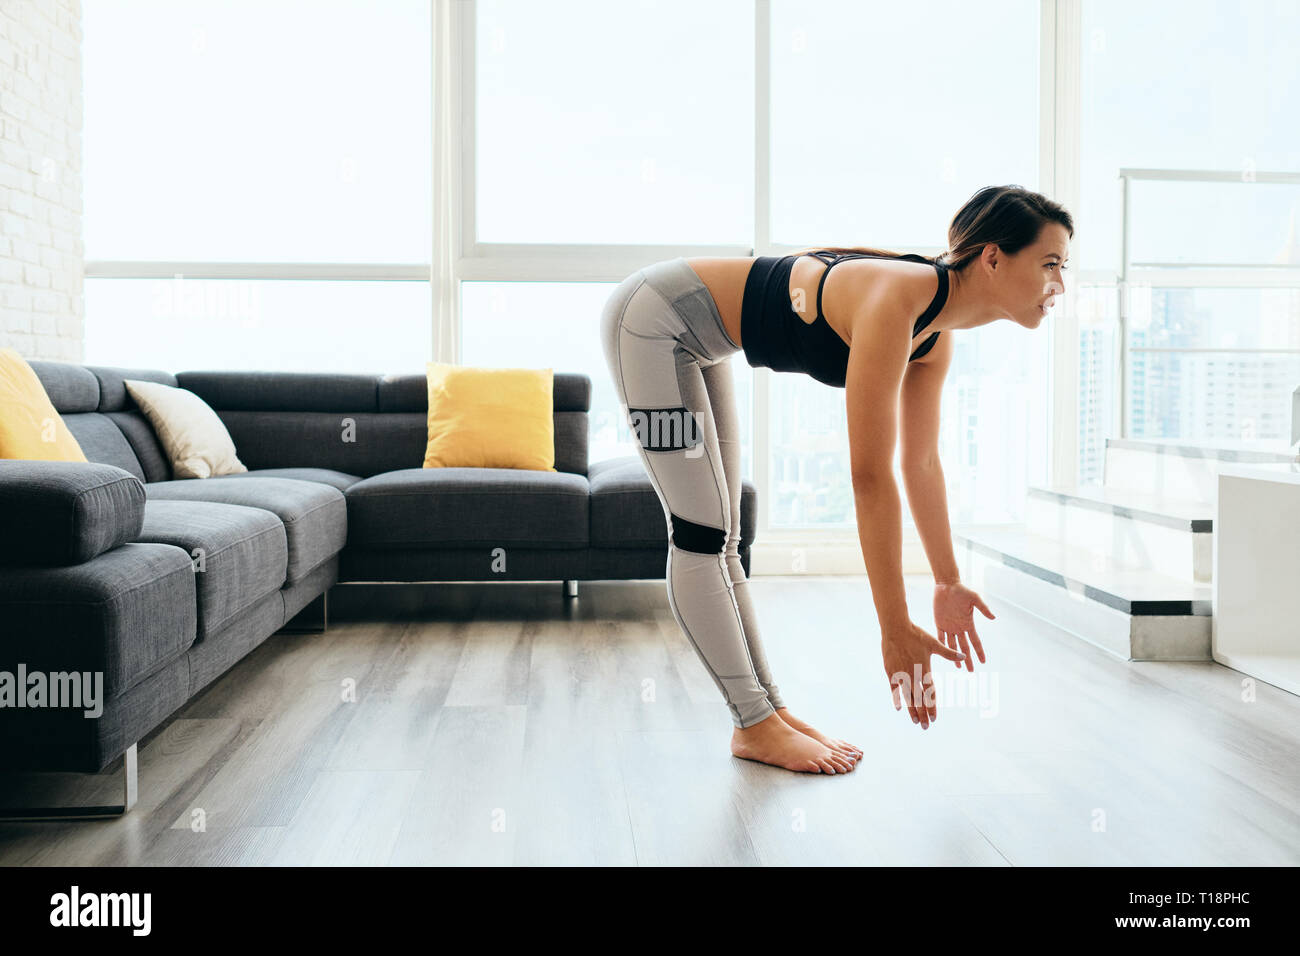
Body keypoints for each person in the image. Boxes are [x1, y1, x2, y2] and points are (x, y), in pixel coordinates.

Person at [599, 184, 1074, 774]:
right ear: (993, 256)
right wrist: (894, 628)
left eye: (1065, 266)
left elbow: (919, 464)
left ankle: (766, 713)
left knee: (724, 537)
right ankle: (754, 723)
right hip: (650, 324)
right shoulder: (897, 299)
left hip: (699, 344)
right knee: (700, 532)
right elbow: (870, 477)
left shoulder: (935, 334)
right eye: (1050, 263)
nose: (1060, 284)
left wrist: (947, 582)